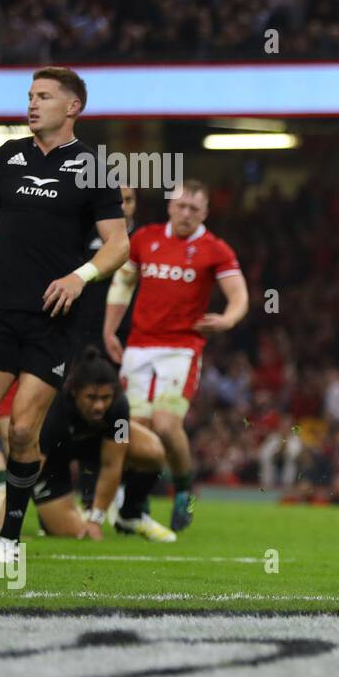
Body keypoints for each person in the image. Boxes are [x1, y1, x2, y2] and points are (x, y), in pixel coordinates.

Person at [0, 66, 128, 559]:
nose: (31, 103)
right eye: (30, 95)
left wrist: (80, 277)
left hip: (51, 318)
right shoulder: (7, 156)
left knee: (25, 431)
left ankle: (9, 537)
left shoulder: (94, 166)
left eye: (43, 96)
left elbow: (118, 245)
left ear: (73, 107)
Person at [103, 180, 248, 532]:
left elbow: (238, 294)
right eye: (180, 206)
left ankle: (184, 489)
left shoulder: (215, 249)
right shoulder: (144, 240)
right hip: (138, 346)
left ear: (205, 213)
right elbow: (123, 284)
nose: (185, 214)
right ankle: (136, 504)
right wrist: (109, 329)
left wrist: (227, 319)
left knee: (166, 426)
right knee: (134, 431)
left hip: (182, 349)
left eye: (193, 209)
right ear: (170, 206)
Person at [0, 348, 176, 542]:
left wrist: (96, 520)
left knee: (154, 451)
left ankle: (129, 514)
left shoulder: (119, 408)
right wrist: (6, 523)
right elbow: (30, 467)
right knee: (75, 532)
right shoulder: (55, 409)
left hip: (96, 449)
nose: (99, 406)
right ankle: (51, 515)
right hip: (52, 460)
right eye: (91, 397)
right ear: (75, 392)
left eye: (105, 398)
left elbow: (112, 465)